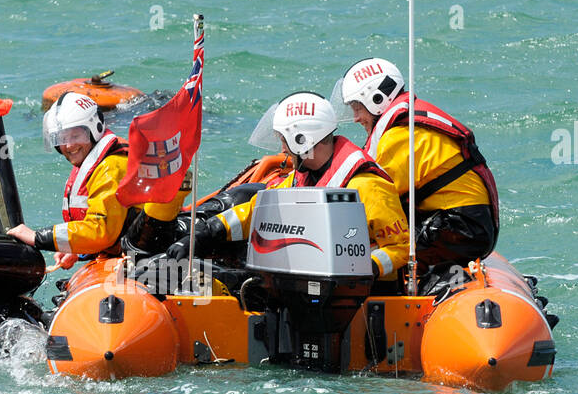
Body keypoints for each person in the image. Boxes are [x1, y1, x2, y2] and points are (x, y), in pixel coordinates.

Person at [172, 92, 409, 285]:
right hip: (311, 281)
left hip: (356, 292)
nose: (282, 149)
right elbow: (258, 211)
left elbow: (400, 247)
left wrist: (365, 270)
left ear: (302, 141)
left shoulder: (366, 186)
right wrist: (205, 232)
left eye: (283, 140)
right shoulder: (302, 177)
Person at [334, 58, 499, 275]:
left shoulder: (399, 137)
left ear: (377, 99)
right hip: (467, 223)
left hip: (460, 229)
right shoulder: (406, 126)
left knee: (372, 250)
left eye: (357, 108)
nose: (356, 118)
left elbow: (374, 197)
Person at [6, 92, 184, 268]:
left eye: (76, 136)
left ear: (95, 129)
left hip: (150, 249)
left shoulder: (111, 167)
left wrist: (38, 237)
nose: (69, 146)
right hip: (125, 244)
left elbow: (101, 231)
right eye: (61, 138)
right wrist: (78, 250)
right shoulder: (93, 161)